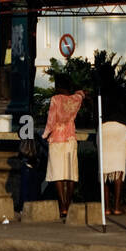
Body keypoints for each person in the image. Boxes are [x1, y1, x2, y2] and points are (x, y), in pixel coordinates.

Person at [42, 75, 85, 219]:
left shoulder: (55, 99)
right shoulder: (75, 99)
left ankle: (63, 207)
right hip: (71, 138)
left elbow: (51, 120)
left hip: (56, 138)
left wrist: (45, 135)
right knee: (70, 174)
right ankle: (69, 203)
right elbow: (81, 93)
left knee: (58, 175)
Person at [100, 113, 126, 215]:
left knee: (104, 169)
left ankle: (107, 208)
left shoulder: (99, 99)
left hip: (103, 127)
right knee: (118, 166)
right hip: (120, 128)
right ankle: (117, 207)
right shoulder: (123, 101)